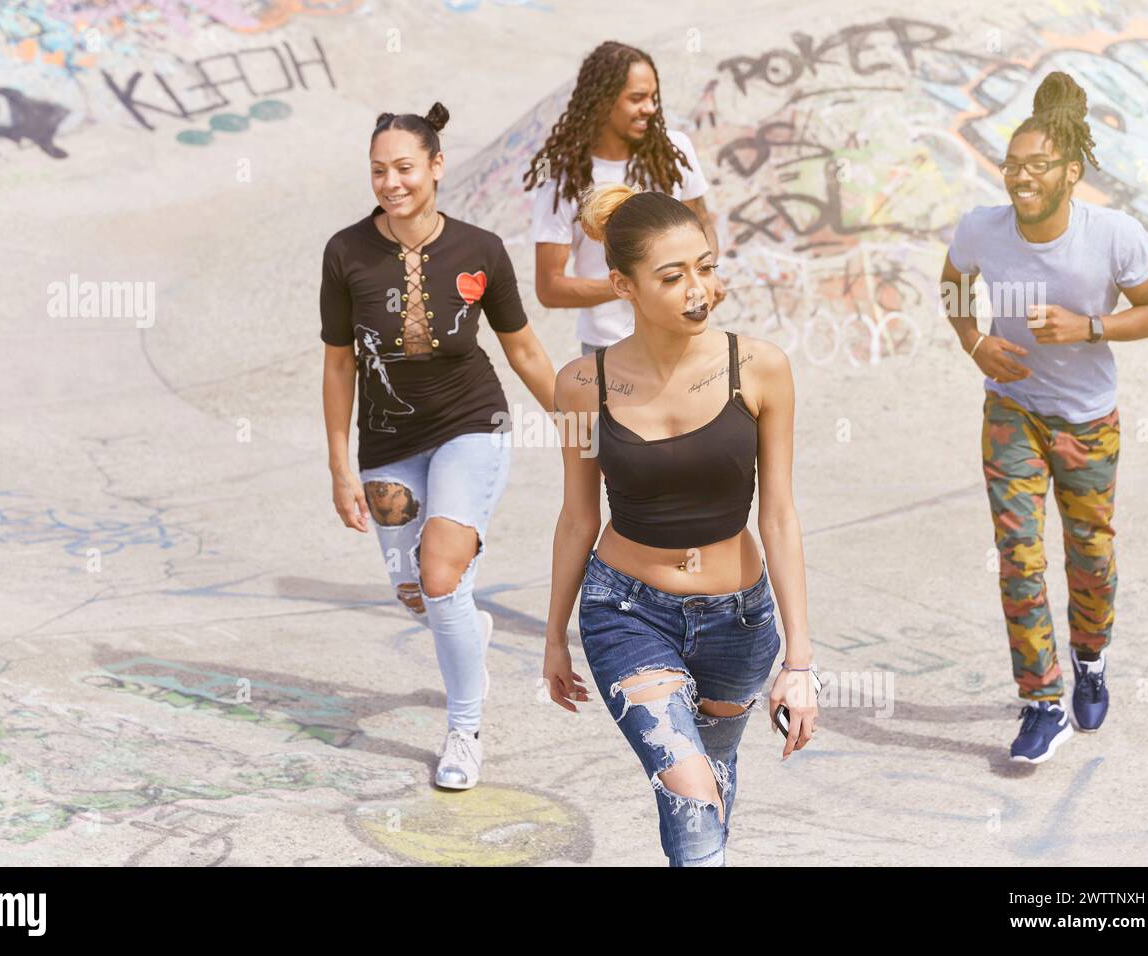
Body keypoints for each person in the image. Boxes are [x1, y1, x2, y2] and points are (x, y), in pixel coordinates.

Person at [542, 182, 818, 866]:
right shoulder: (581, 385)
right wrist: (553, 635)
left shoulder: (758, 370)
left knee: (714, 777)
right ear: (622, 285)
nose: (699, 289)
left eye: (707, 267)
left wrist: (801, 661)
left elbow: (779, 515)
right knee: (691, 792)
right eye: (673, 276)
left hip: (740, 624)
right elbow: (578, 516)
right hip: (626, 611)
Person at [321, 102, 556, 789]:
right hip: (387, 441)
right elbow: (339, 365)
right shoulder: (345, 252)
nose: (392, 183)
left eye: (404, 168)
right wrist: (340, 467)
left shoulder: (480, 249)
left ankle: (464, 728)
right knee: (415, 593)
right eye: (378, 171)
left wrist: (579, 429)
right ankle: (468, 632)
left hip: (470, 424)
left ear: (435, 167)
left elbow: (526, 351)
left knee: (442, 575)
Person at [941, 71, 1148, 764]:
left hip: (1087, 422)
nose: (1020, 177)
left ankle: (1090, 658)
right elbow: (951, 286)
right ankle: (1042, 700)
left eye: (1037, 166)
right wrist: (975, 341)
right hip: (1012, 412)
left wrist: (1089, 327)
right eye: (1012, 165)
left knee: (1091, 557)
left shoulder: (1113, 236)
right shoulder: (982, 228)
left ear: (1071, 172)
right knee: (1018, 557)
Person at [524, 40, 724, 356]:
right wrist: (638, 286)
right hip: (609, 349)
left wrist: (704, 272)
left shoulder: (676, 152)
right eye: (637, 98)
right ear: (602, 102)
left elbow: (702, 224)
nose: (650, 108)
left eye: (653, 97)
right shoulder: (563, 179)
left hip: (685, 340)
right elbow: (550, 288)